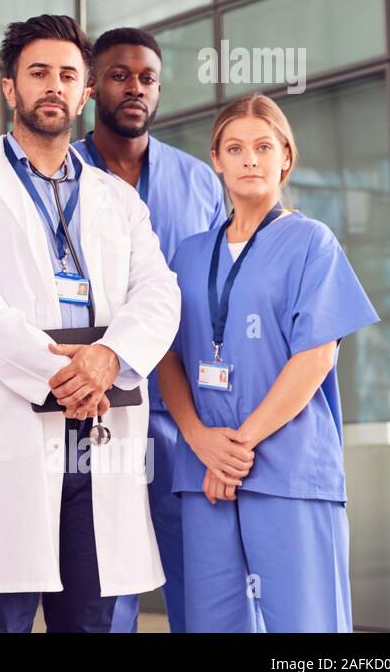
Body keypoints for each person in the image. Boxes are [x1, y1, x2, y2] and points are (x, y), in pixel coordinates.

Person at [0, 14, 180, 632]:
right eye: (38, 73)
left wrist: (108, 360)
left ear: (84, 92)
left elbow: (160, 292)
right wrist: (64, 374)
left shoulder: (119, 200)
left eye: (68, 75)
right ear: (9, 88)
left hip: (102, 434)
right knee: (4, 618)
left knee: (90, 621)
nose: (53, 86)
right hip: (16, 425)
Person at [157, 95, 378, 632]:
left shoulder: (310, 243)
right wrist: (201, 440)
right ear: (216, 160)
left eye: (263, 147)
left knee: (306, 628)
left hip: (286, 469)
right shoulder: (187, 254)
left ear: (285, 158)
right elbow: (167, 355)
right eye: (235, 148)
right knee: (213, 623)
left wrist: (237, 445)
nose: (249, 159)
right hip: (204, 471)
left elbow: (316, 356)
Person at [74, 27, 225, 633]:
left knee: (203, 583)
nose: (135, 88)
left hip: (187, 418)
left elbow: (218, 293)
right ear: (91, 86)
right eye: (118, 75)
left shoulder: (200, 183)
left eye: (147, 78)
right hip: (93, 413)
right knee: (105, 592)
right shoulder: (58, 178)